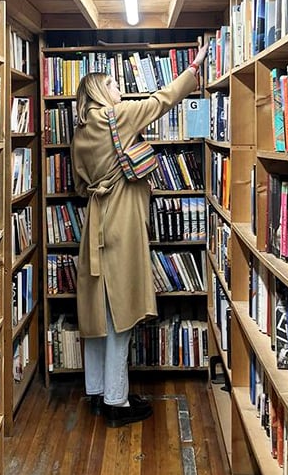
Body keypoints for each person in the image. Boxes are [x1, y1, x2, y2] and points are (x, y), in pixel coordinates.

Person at [70, 42, 208, 427]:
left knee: (96, 315)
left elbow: (81, 187)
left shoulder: (80, 132)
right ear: (100, 92)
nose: (119, 89)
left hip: (94, 225)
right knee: (121, 314)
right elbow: (161, 100)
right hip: (121, 223)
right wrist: (193, 69)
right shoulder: (118, 117)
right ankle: (116, 401)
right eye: (113, 84)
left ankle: (97, 393)